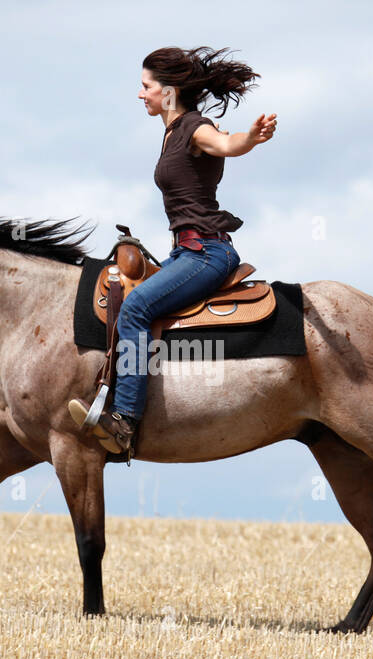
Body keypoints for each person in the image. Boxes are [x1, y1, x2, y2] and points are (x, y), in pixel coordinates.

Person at [69, 46, 277, 456]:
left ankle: (125, 421)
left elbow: (225, 143)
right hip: (185, 254)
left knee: (135, 309)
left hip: (207, 255)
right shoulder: (169, 133)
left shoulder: (195, 128)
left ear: (168, 91)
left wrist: (250, 139)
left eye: (145, 86)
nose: (140, 94)